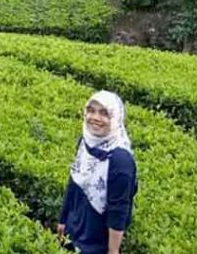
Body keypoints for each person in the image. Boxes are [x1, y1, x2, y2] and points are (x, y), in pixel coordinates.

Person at [58, 91, 138, 254]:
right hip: (74, 228)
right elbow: (74, 181)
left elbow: (118, 209)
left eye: (104, 113)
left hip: (96, 241)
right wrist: (62, 219)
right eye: (91, 110)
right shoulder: (86, 141)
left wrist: (113, 250)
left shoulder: (120, 160)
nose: (95, 117)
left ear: (115, 118)